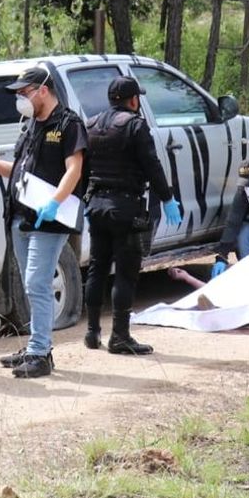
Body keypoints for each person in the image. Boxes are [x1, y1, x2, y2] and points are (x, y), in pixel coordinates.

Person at [0, 67, 88, 378]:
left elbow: (74, 169)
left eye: (24, 92)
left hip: (48, 219)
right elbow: (18, 170)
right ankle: (35, 346)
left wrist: (54, 204)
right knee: (31, 286)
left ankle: (41, 352)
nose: (20, 99)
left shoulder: (68, 124)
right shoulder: (31, 127)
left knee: (37, 284)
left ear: (43, 90)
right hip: (21, 216)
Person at [81, 75, 182, 354]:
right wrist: (168, 198)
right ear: (134, 100)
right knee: (125, 273)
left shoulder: (90, 124)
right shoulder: (135, 126)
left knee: (97, 268)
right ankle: (120, 337)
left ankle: (92, 333)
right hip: (126, 209)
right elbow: (152, 166)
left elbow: (83, 168)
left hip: (97, 206)